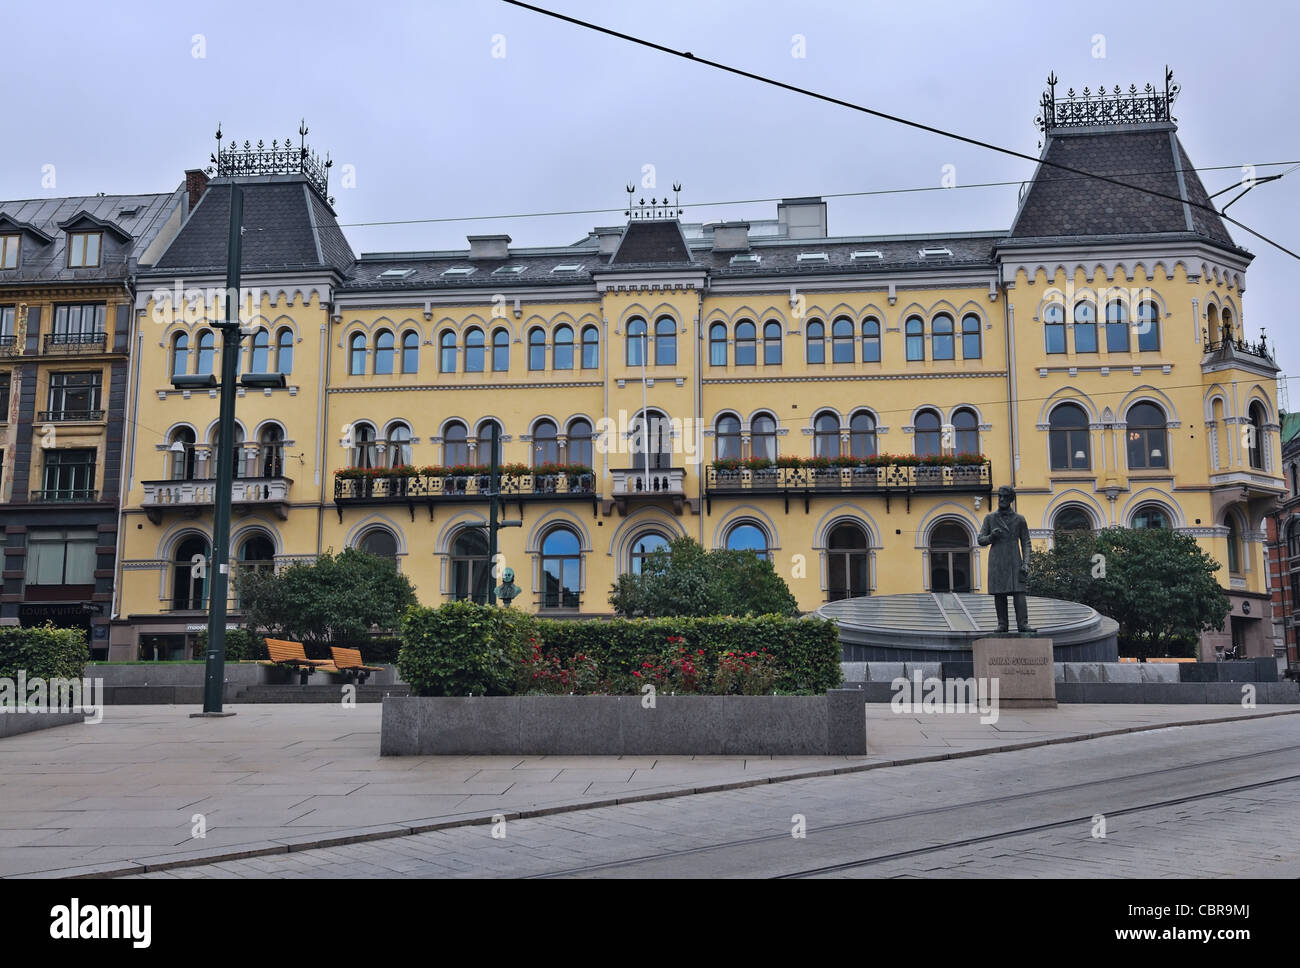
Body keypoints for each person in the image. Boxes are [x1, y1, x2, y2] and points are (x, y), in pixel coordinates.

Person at [976, 484, 1034, 633]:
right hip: (997, 560)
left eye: (1005, 496)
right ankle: (1002, 624)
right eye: (999, 496)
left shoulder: (1019, 519)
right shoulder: (990, 518)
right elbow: (981, 540)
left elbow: (1026, 542)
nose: (1001, 499)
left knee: (1019, 593)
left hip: (1015, 559)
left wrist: (1026, 563)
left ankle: (1023, 624)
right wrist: (992, 536)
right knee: (999, 593)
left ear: (1011, 499)